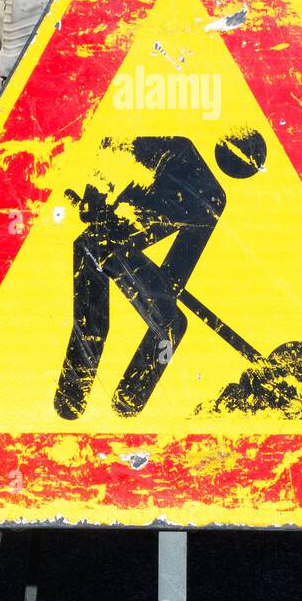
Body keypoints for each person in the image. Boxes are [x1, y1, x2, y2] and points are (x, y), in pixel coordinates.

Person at [55, 131, 266, 419]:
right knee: (95, 319)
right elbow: (112, 143)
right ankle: (73, 394)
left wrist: (164, 291)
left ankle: (128, 399)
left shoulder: (210, 203)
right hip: (102, 239)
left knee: (171, 324)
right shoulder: (177, 153)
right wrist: (95, 195)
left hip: (117, 236)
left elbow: (176, 273)